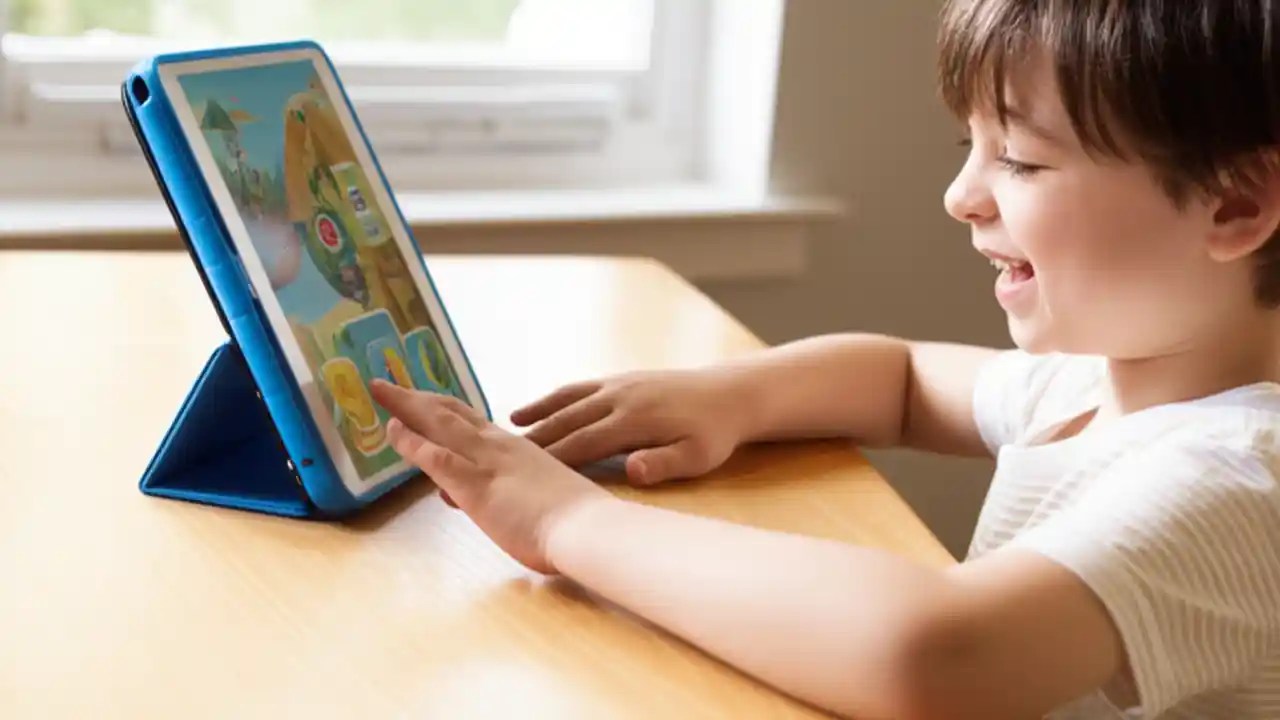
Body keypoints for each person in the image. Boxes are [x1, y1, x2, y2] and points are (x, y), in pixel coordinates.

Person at [370, 1, 1280, 716]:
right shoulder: (1100, 382)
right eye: (970, 148)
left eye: (1023, 163)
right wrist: (729, 398)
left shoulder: (1235, 484)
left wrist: (566, 522)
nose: (963, 195)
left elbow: (932, 653)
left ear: (1233, 204)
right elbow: (901, 376)